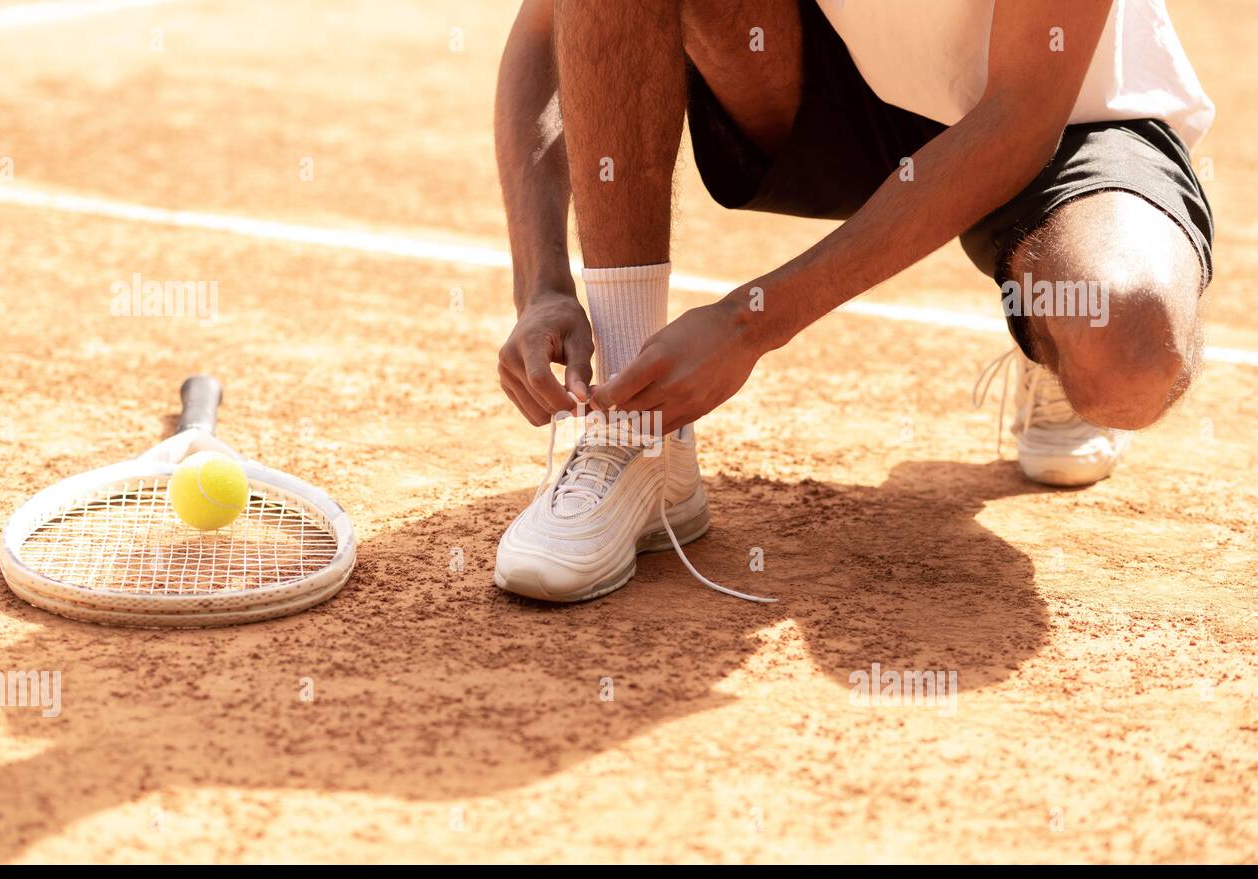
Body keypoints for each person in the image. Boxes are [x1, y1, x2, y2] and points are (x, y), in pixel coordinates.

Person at [491, 0, 1214, 602]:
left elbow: (1022, 114)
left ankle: (1046, 323)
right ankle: (635, 424)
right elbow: (544, 27)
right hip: (826, 82)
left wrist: (749, 324)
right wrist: (543, 282)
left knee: (1130, 351)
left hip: (1060, 114)